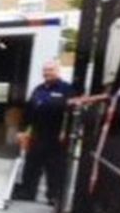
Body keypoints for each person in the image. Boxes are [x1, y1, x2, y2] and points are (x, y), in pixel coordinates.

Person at [13, 60, 75, 205]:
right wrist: (22, 130)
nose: (47, 73)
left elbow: (73, 113)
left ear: (58, 71)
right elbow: (28, 111)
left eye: (50, 70)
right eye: (45, 70)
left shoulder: (67, 89)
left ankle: (53, 196)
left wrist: (67, 131)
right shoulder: (38, 89)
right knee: (31, 164)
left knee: (54, 167)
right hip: (37, 134)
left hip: (57, 136)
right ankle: (28, 192)